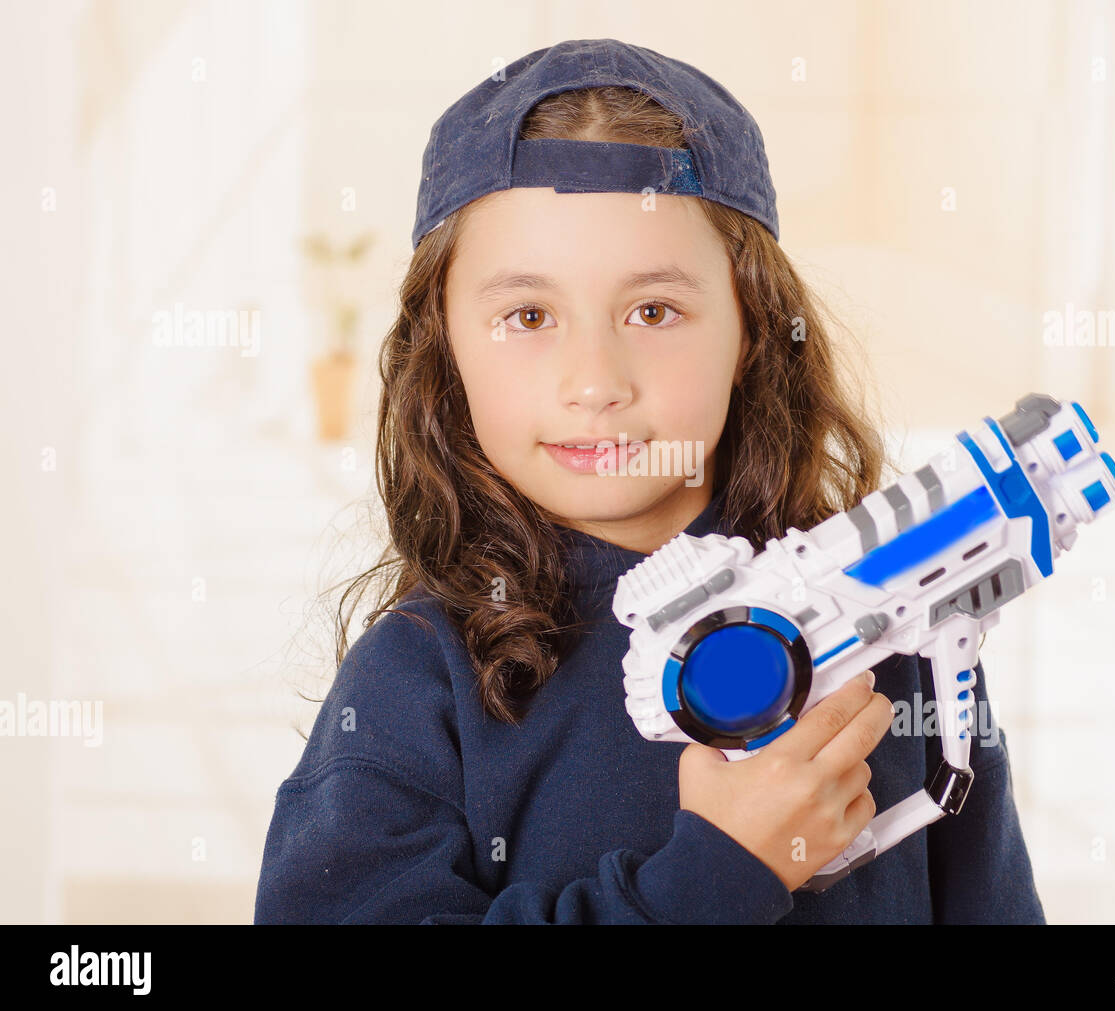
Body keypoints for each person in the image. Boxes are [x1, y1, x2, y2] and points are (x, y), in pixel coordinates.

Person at [253, 38, 1045, 925]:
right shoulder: (415, 687)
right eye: (527, 315)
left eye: (654, 311)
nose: (595, 380)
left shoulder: (892, 624)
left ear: (752, 328)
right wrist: (716, 877)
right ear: (446, 353)